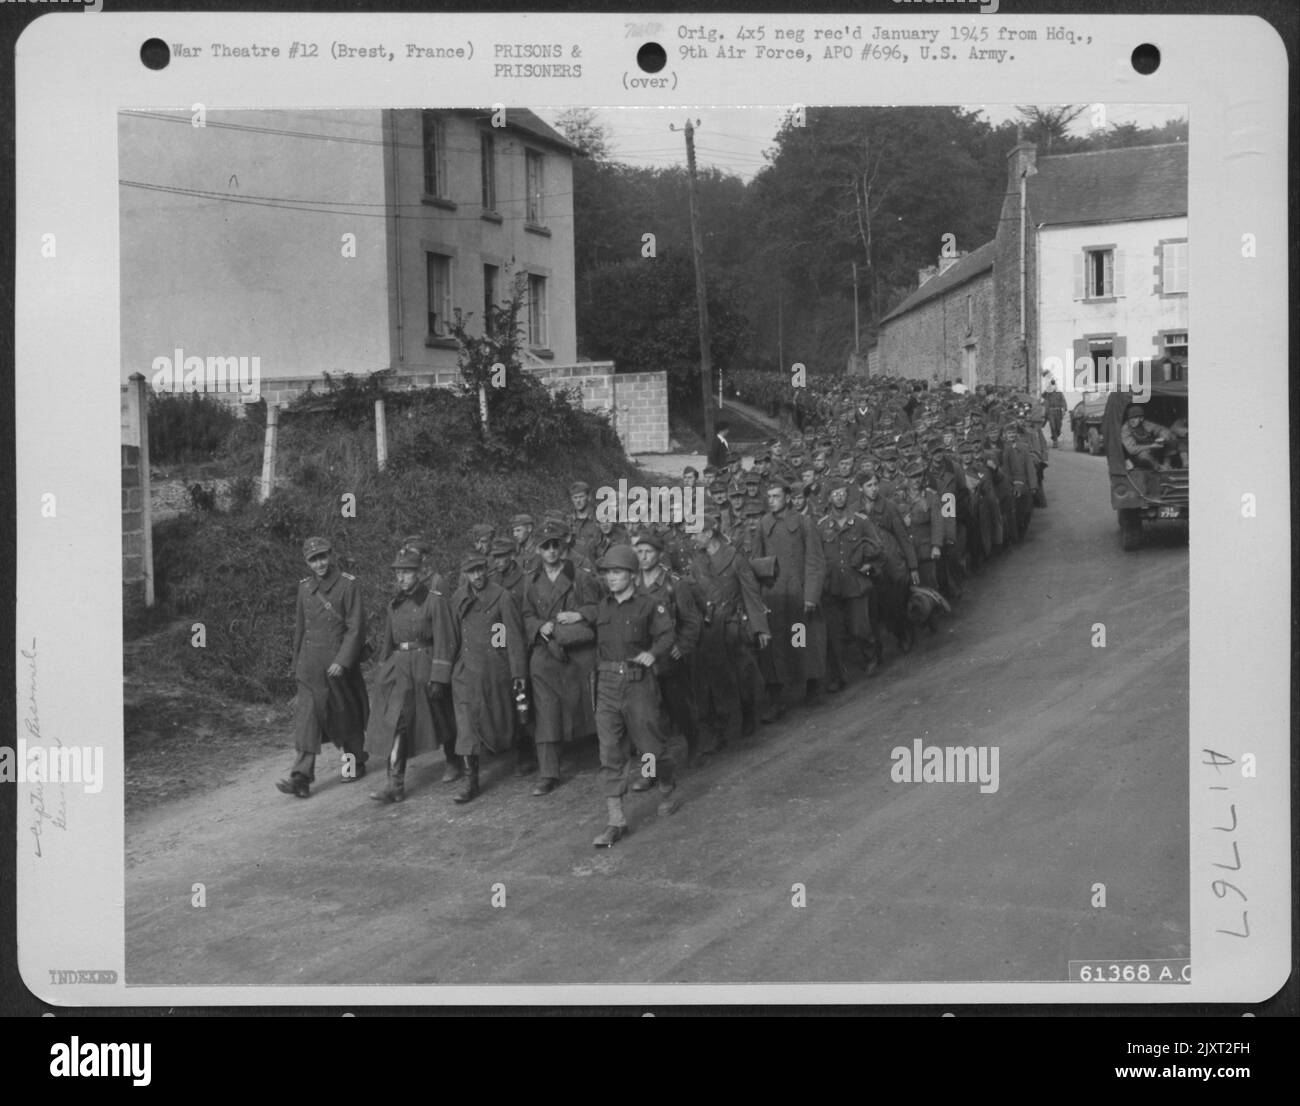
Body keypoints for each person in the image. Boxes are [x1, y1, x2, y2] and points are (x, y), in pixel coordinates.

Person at [590, 545, 679, 848]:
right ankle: (616, 820)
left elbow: (667, 634)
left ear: (631, 575)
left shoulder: (650, 605)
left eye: (616, 572)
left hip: (638, 683)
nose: (610, 578)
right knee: (610, 751)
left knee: (650, 746)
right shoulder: (602, 607)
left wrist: (653, 654)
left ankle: (666, 785)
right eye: (607, 573)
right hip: (607, 686)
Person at [277, 536, 369, 798]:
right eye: (313, 559)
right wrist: (297, 665)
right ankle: (301, 778)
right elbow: (301, 629)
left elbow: (356, 627)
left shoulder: (348, 585)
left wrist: (342, 661)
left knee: (345, 716)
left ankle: (355, 762)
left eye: (323, 557)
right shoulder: (305, 588)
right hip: (310, 667)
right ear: (307, 562)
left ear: (331, 556)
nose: (319, 563)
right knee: (307, 720)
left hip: (338, 666)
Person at [365, 547, 458, 803]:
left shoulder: (434, 601)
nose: (402, 578)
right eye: (399, 573)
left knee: (441, 717)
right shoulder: (393, 604)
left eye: (407, 572)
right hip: (400, 670)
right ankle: (395, 784)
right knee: (397, 723)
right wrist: (383, 670)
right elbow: (388, 641)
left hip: (425, 667)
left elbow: (444, 640)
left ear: (419, 573)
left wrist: (439, 676)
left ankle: (454, 760)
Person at [521, 521, 601, 795]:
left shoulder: (580, 576)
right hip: (546, 652)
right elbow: (526, 615)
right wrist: (538, 627)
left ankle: (609, 754)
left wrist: (579, 614)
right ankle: (548, 773)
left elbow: (597, 607)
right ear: (539, 551)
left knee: (593, 703)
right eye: (546, 546)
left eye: (556, 545)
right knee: (546, 712)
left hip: (577, 651)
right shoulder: (531, 582)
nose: (552, 551)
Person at [448, 552, 528, 804]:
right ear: (465, 575)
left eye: (481, 569)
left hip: (495, 669)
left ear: (487, 569)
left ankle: (525, 752)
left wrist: (517, 673)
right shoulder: (458, 599)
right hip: (465, 673)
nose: (478, 575)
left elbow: (513, 639)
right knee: (466, 725)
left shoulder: (502, 597)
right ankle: (471, 781)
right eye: (472, 572)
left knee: (504, 717)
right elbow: (452, 638)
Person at [688, 514, 771, 756]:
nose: (694, 539)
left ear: (709, 533)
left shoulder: (735, 558)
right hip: (710, 628)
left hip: (735, 625)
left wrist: (761, 628)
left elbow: (751, 594)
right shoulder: (697, 563)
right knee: (714, 680)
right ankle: (720, 730)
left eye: (697, 533)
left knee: (744, 673)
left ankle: (748, 713)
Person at [753, 475, 827, 720]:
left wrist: (811, 595)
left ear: (787, 498)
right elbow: (755, 560)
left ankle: (812, 686)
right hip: (774, 596)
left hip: (797, 595)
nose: (772, 501)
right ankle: (776, 699)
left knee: (801, 641)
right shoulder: (763, 524)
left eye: (776, 496)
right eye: (769, 497)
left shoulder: (805, 523)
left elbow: (815, 561)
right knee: (775, 648)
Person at [632, 530, 703, 771]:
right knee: (647, 718)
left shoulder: (674, 584)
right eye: (639, 552)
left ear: (659, 555)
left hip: (670, 659)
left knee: (679, 707)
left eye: (648, 552)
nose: (643, 556)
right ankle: (651, 768)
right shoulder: (632, 584)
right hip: (643, 660)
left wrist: (682, 647)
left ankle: (694, 743)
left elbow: (692, 621)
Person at [1121, 404, 1183, 469]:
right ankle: (1159, 467)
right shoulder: (1126, 429)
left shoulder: (1145, 424)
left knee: (1171, 436)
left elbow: (1160, 429)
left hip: (1151, 449)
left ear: (1141, 419)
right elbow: (1132, 450)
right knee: (1143, 455)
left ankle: (1167, 464)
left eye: (1135, 418)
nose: (1132, 420)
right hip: (1136, 456)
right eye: (1130, 418)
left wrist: (1163, 436)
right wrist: (1151, 446)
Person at [1043, 379, 1067, 448]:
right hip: (1050, 412)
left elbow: (1063, 401)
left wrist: (1064, 408)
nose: (1053, 386)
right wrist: (1047, 389)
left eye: (1054, 385)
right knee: (1052, 426)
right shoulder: (1048, 393)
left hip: (1058, 412)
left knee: (1058, 427)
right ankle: (1055, 441)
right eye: (1052, 385)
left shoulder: (1059, 393)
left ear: (1056, 386)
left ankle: (1054, 436)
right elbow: (1043, 395)